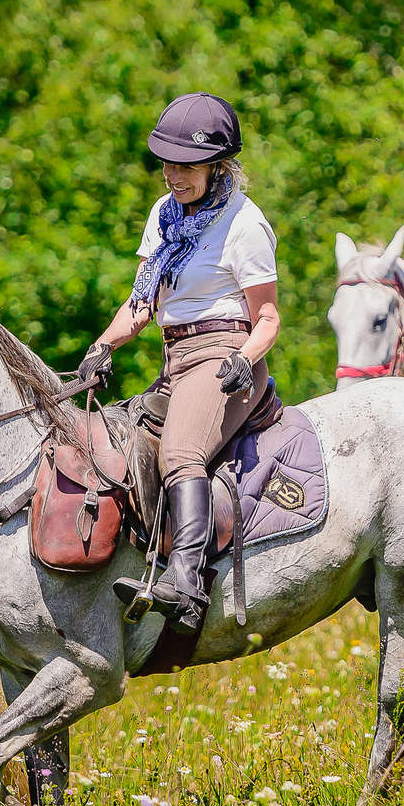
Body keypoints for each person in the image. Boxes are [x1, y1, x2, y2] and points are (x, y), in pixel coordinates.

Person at [78, 92, 279, 631]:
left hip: (225, 356)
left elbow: (268, 319)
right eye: (167, 163)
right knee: (116, 443)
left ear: (218, 167)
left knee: (182, 451)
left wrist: (244, 359)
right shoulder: (164, 217)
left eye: (187, 165)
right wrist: (102, 346)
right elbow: (142, 303)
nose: (173, 175)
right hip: (175, 358)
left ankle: (187, 586)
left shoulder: (244, 225)